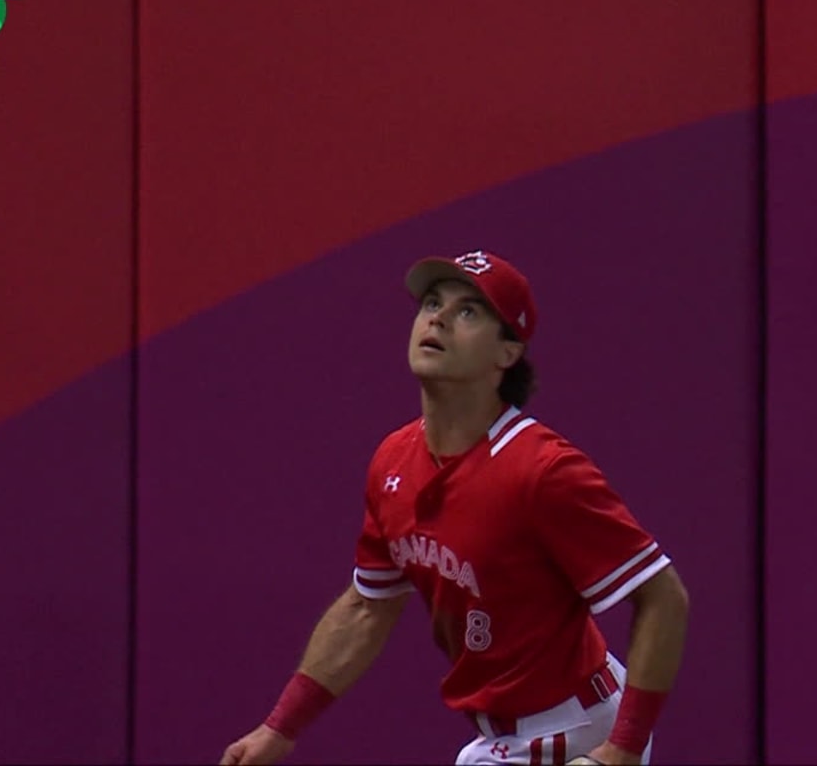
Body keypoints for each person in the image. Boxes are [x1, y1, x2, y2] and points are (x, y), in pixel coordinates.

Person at [220, 250, 690, 766]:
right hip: (505, 740)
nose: (438, 317)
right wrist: (280, 728)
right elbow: (367, 606)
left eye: (468, 311)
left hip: (574, 731)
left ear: (507, 353)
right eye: (431, 303)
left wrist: (620, 752)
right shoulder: (394, 460)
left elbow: (664, 598)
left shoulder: (541, 470)